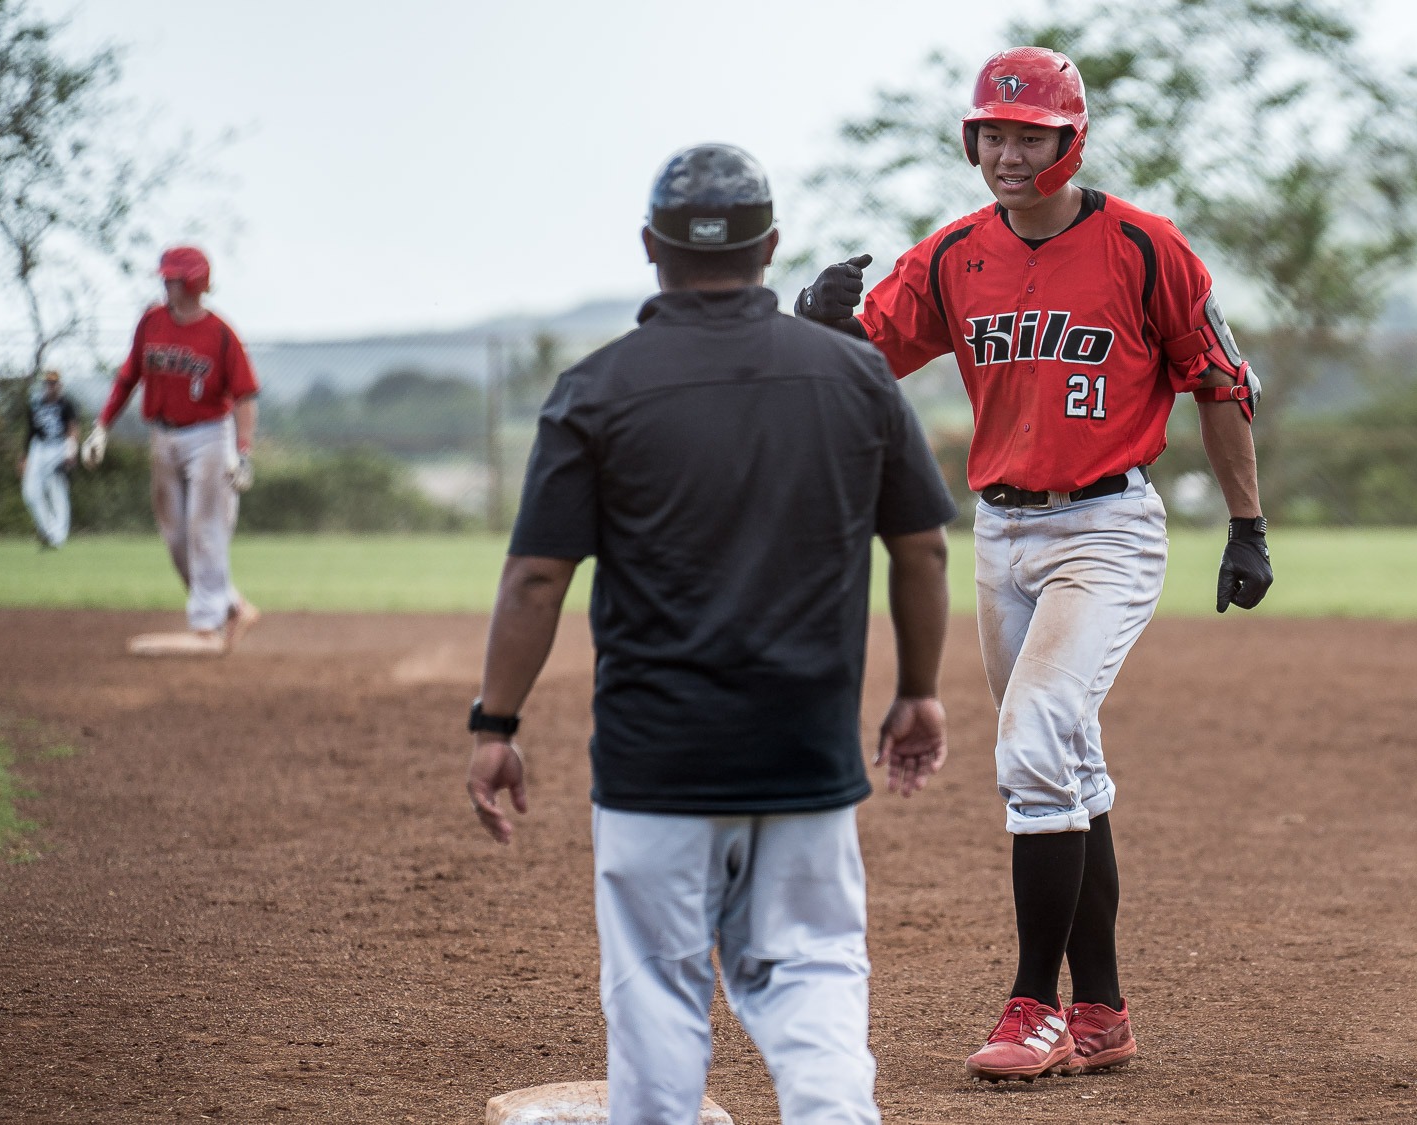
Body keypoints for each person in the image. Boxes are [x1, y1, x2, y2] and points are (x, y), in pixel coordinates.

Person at [794, 46, 1275, 1083]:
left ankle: (1031, 1007)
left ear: (1071, 139)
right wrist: (816, 330)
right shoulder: (953, 255)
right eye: (991, 135)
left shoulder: (1146, 250)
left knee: (1034, 738)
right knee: (1062, 768)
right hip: (1000, 535)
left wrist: (1246, 525)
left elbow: (1221, 383)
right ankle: (1099, 1010)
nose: (1007, 154)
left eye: (1029, 135)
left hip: (1105, 529)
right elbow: (859, 368)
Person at [464, 143, 959, 1125]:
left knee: (657, 989)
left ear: (649, 247)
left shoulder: (597, 389)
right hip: (805, 749)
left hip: (659, 760)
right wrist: (917, 691)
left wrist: (496, 724)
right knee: (811, 971)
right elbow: (921, 553)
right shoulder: (856, 376)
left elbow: (534, 579)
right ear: (770, 246)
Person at [80, 246, 261, 655]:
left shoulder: (220, 333)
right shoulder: (152, 322)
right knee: (176, 536)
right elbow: (129, 376)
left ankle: (206, 628)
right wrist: (101, 428)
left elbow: (246, 396)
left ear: (193, 283)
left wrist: (243, 452)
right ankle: (232, 606)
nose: (166, 284)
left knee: (205, 528)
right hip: (163, 436)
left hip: (210, 436)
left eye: (173, 278)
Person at [18, 369, 81, 549]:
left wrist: (70, 453)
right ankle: (47, 530)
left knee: (57, 491)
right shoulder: (36, 404)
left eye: (53, 383)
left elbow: (73, 428)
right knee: (30, 492)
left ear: (59, 385)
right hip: (39, 448)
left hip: (59, 447)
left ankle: (58, 536)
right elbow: (30, 431)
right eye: (48, 383)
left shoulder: (66, 404)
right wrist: (24, 457)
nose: (50, 387)